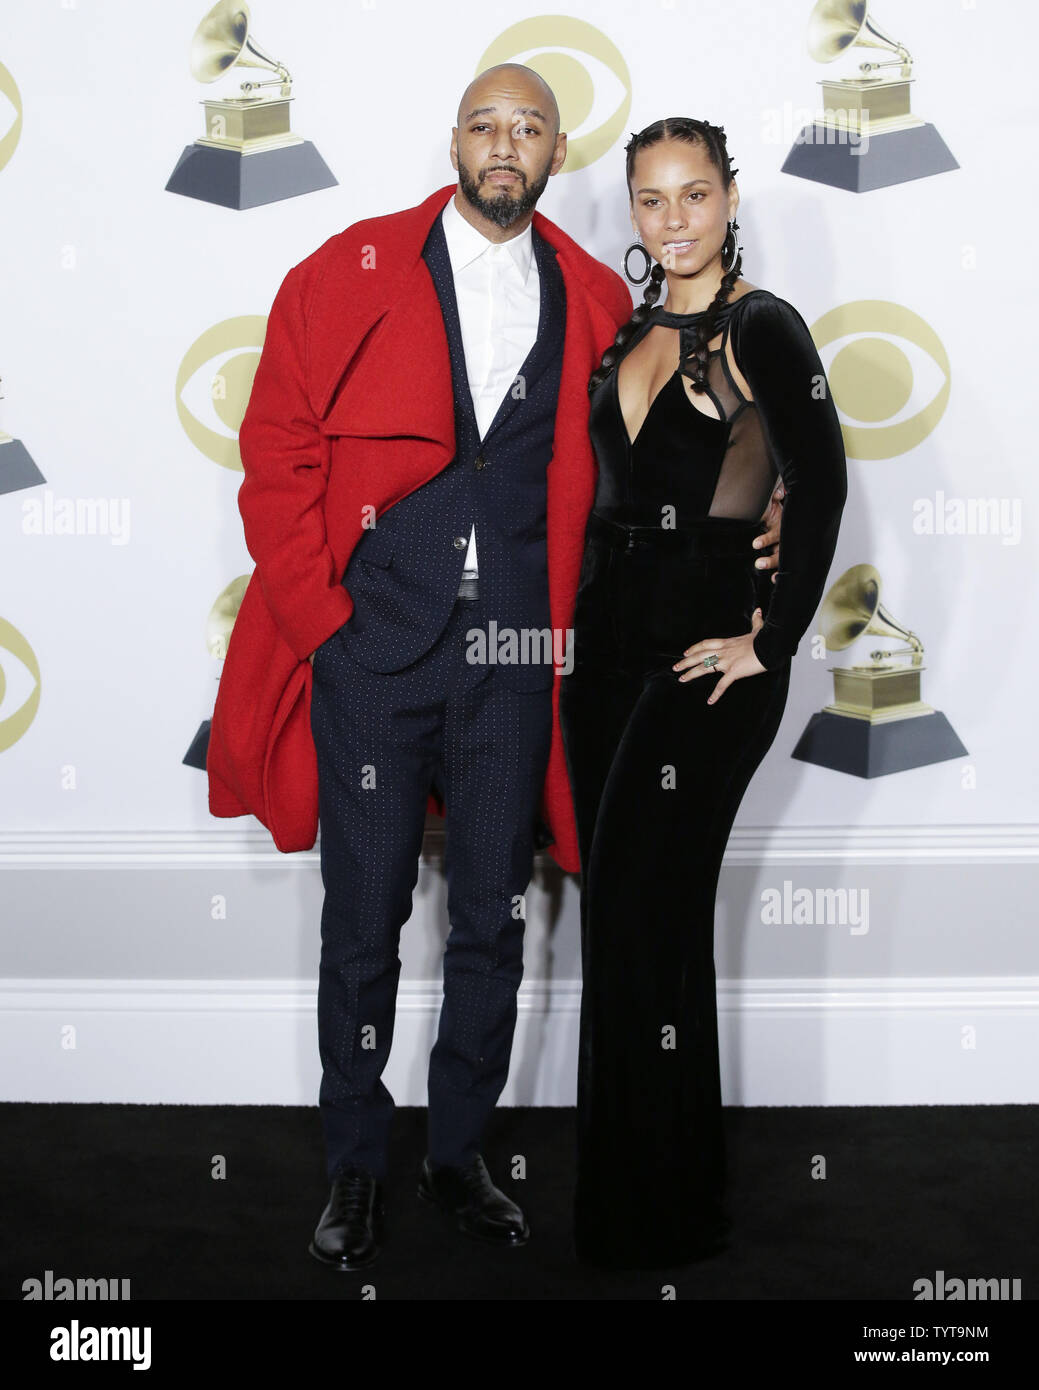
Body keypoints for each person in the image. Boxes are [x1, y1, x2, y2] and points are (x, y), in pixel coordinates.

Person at [558, 117, 848, 1269]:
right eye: (649, 200)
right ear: (631, 210)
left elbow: (818, 487)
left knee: (639, 912)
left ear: (731, 197)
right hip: (608, 652)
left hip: (701, 655)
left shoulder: (763, 328)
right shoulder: (630, 328)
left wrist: (767, 642)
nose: (672, 220)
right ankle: (664, 1201)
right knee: (636, 924)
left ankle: (650, 1213)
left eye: (693, 195)